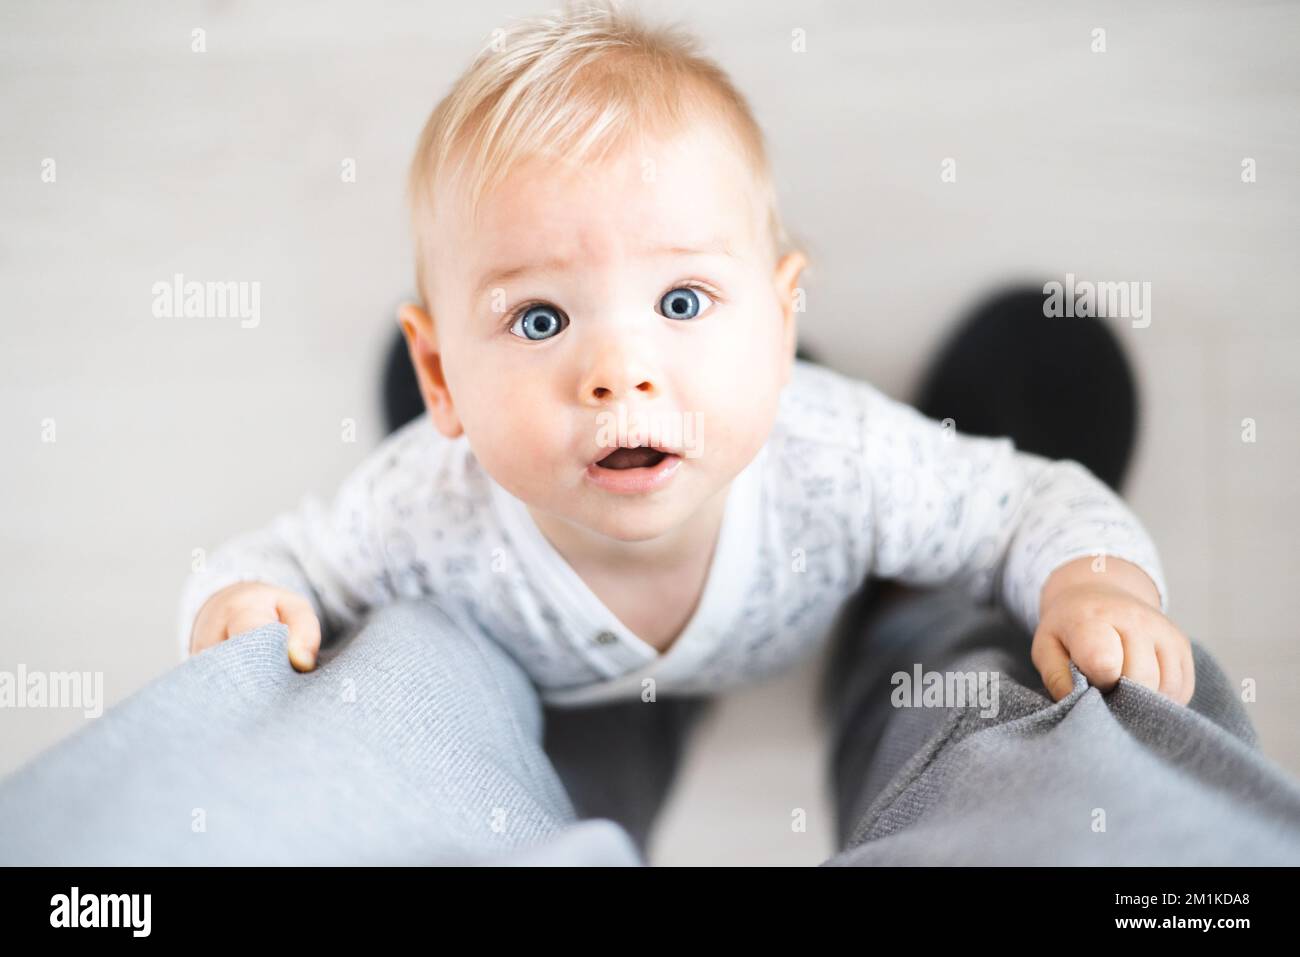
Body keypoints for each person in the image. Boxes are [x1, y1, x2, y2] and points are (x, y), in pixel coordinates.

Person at [5, 1, 1297, 866]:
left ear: (786, 323)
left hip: (817, 565)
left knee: (972, 602)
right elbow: (270, 560)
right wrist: (248, 607)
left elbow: (1027, 501)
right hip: (550, 655)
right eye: (541, 319)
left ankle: (905, 624)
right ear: (437, 376)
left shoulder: (833, 453)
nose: (620, 370)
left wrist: (1091, 576)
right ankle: (634, 694)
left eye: (684, 302)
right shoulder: (428, 501)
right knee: (422, 668)